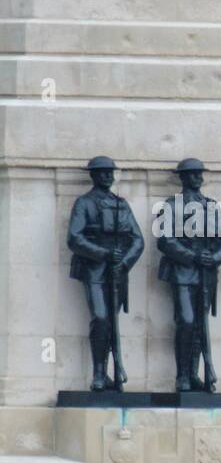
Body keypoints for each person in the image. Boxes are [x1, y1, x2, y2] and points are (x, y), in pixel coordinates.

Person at [66, 156, 144, 391]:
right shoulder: (84, 203)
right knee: (100, 317)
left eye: (110, 172)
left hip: (117, 271)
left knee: (111, 321)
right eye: (103, 172)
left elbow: (137, 240)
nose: (108, 176)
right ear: (94, 175)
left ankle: (108, 372)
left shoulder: (121, 204)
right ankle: (98, 373)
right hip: (94, 269)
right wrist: (103, 254)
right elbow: (74, 238)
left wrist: (124, 261)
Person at [157, 158, 221, 391]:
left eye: (200, 173)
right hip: (182, 271)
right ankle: (182, 375)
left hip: (206, 273)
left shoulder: (212, 206)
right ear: (183, 177)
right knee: (187, 322)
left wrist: (215, 258)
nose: (198, 178)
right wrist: (193, 257)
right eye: (193, 174)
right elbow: (165, 241)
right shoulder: (171, 205)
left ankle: (194, 373)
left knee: (200, 325)